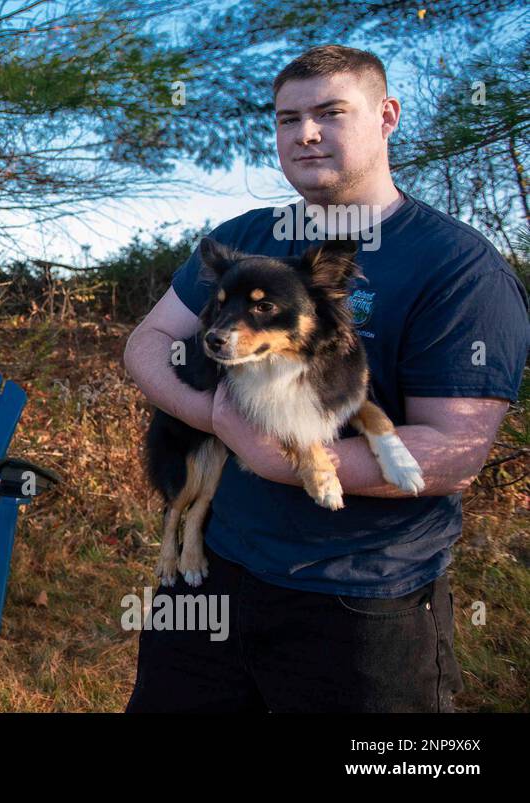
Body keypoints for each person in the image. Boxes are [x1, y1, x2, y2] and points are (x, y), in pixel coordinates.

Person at [123, 45, 530, 712]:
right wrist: (219, 417)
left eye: (330, 112)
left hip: (363, 604)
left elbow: (454, 452)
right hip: (215, 577)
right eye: (288, 119)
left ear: (387, 115)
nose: (305, 134)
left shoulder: (457, 269)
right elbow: (148, 342)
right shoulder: (245, 237)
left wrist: (284, 457)